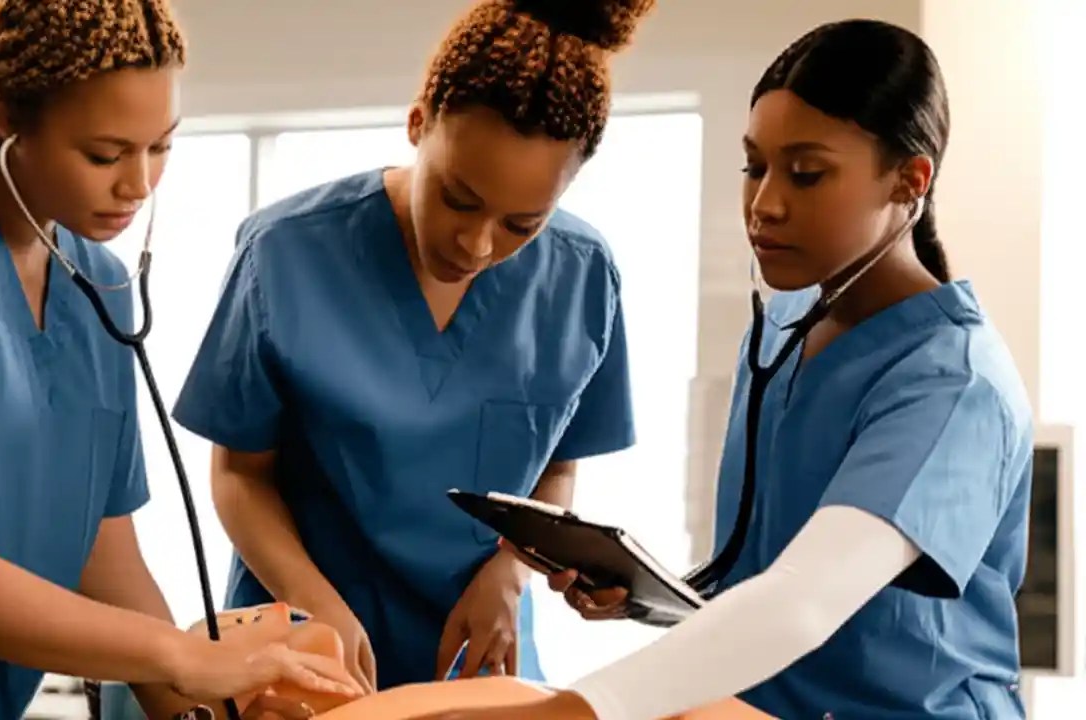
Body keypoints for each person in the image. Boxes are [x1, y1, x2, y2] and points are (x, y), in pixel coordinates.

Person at [414, 18, 1034, 720]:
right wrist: (646, 595)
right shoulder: (780, 331)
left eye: (806, 174)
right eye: (754, 165)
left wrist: (573, 713)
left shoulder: (953, 384)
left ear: (909, 180)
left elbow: (805, 601)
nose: (764, 204)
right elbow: (759, 584)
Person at [0, 2, 362, 718]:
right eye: (105, 154)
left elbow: (104, 551)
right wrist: (184, 656)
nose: (139, 183)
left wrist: (197, 703)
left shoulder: (96, 284)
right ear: (7, 115)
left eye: (161, 146)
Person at [171, 0, 654, 693]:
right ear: (418, 123)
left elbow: (556, 471)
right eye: (458, 198)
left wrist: (509, 574)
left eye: (523, 223)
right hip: (308, 646)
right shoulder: (285, 253)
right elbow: (240, 477)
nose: (478, 245)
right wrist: (321, 608)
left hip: (477, 660)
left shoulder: (582, 274)